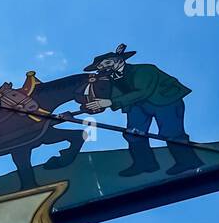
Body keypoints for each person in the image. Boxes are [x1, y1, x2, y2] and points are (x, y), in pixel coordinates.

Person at [81, 44, 202, 177]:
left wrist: (111, 102)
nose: (104, 68)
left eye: (107, 63)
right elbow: (116, 96)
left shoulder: (144, 70)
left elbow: (143, 91)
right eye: (101, 66)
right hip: (137, 105)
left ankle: (188, 162)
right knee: (133, 133)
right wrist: (101, 105)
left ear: (119, 60)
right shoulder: (113, 78)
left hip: (165, 101)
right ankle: (145, 164)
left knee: (171, 132)